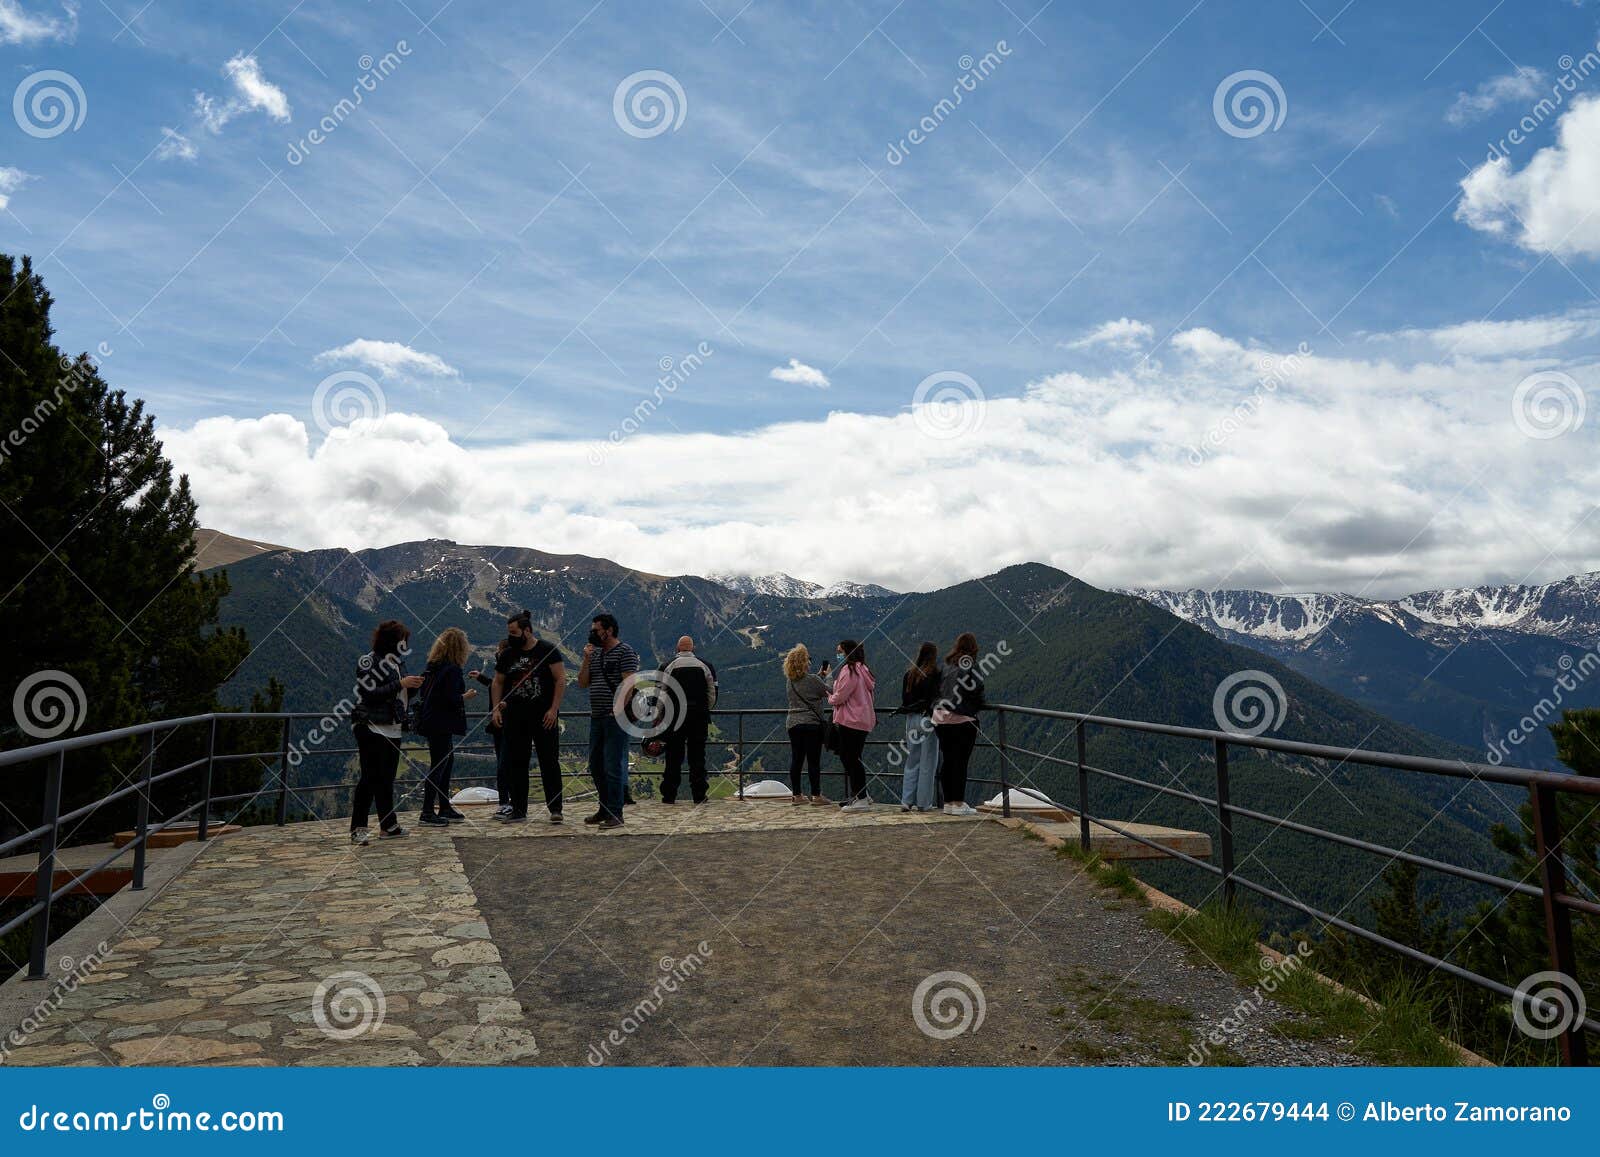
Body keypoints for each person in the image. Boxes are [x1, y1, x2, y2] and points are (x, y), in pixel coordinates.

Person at [349, 619, 424, 845]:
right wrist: (401, 684)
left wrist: (413, 688)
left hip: (392, 727)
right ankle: (358, 829)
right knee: (369, 780)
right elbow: (369, 692)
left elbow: (399, 696)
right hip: (371, 726)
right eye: (401, 641)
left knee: (386, 780)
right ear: (391, 641)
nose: (404, 645)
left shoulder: (397, 663)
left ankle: (388, 826)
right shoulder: (369, 661)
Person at [490, 610, 566, 824]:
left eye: (514, 632)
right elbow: (497, 682)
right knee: (517, 763)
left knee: (549, 762)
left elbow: (560, 679)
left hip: (544, 717)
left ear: (527, 630)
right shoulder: (507, 655)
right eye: (509, 632)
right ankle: (519, 810)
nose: (511, 636)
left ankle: (556, 808)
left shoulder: (547, 650)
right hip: (515, 717)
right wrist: (496, 709)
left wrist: (553, 709)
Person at [577, 612, 639, 829]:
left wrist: (617, 710)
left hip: (615, 719)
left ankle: (616, 813)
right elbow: (583, 682)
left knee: (612, 765)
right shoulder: (594, 654)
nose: (592, 633)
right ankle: (604, 808)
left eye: (596, 629)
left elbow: (629, 684)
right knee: (595, 765)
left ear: (609, 630)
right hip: (597, 717)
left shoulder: (625, 651)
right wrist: (586, 659)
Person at [415, 627, 475, 827]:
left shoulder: (432, 666)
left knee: (445, 762)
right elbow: (449, 698)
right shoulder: (453, 669)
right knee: (440, 764)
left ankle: (444, 806)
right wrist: (465, 697)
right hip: (442, 722)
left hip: (430, 720)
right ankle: (427, 811)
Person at [658, 636, 717, 805]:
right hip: (698, 717)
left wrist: (660, 715)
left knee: (673, 756)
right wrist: (706, 709)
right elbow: (711, 694)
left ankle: (669, 795)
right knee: (697, 756)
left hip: (675, 717)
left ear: (677, 649)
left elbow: (661, 694)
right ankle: (699, 794)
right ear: (693, 649)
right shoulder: (705, 666)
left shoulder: (667, 666)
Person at [934, 632, 984, 817]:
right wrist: (976, 706)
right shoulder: (969, 663)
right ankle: (958, 803)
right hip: (961, 718)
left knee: (947, 761)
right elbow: (977, 688)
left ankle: (947, 802)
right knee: (960, 762)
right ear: (973, 648)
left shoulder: (946, 664)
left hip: (940, 718)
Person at [827, 639, 877, 811]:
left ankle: (861, 798)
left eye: (839, 651)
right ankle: (861, 794)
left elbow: (840, 696)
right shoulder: (863, 669)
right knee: (855, 757)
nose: (838, 654)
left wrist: (830, 697)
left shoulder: (849, 670)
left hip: (850, 720)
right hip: (863, 720)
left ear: (847, 652)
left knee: (849, 758)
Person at [783, 644, 832, 805]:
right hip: (811, 724)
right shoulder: (813, 680)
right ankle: (816, 796)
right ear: (804, 662)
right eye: (808, 659)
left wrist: (817, 677)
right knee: (813, 760)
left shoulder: (790, 681)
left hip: (793, 724)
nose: (809, 662)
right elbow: (829, 690)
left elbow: (806, 686)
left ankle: (797, 796)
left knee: (796, 759)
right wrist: (829, 675)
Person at [899, 641, 942, 812]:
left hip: (911, 720)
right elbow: (938, 698)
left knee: (912, 760)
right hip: (928, 719)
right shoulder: (935, 674)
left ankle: (906, 801)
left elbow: (905, 700)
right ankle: (924, 803)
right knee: (928, 762)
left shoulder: (909, 674)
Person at [467, 641, 506, 805]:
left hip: (503, 721)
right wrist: (481, 678)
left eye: (499, 651)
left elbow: (501, 687)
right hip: (500, 721)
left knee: (504, 762)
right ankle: (508, 800)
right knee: (503, 761)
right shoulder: (505, 671)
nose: (497, 654)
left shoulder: (508, 670)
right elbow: (495, 685)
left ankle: (506, 800)